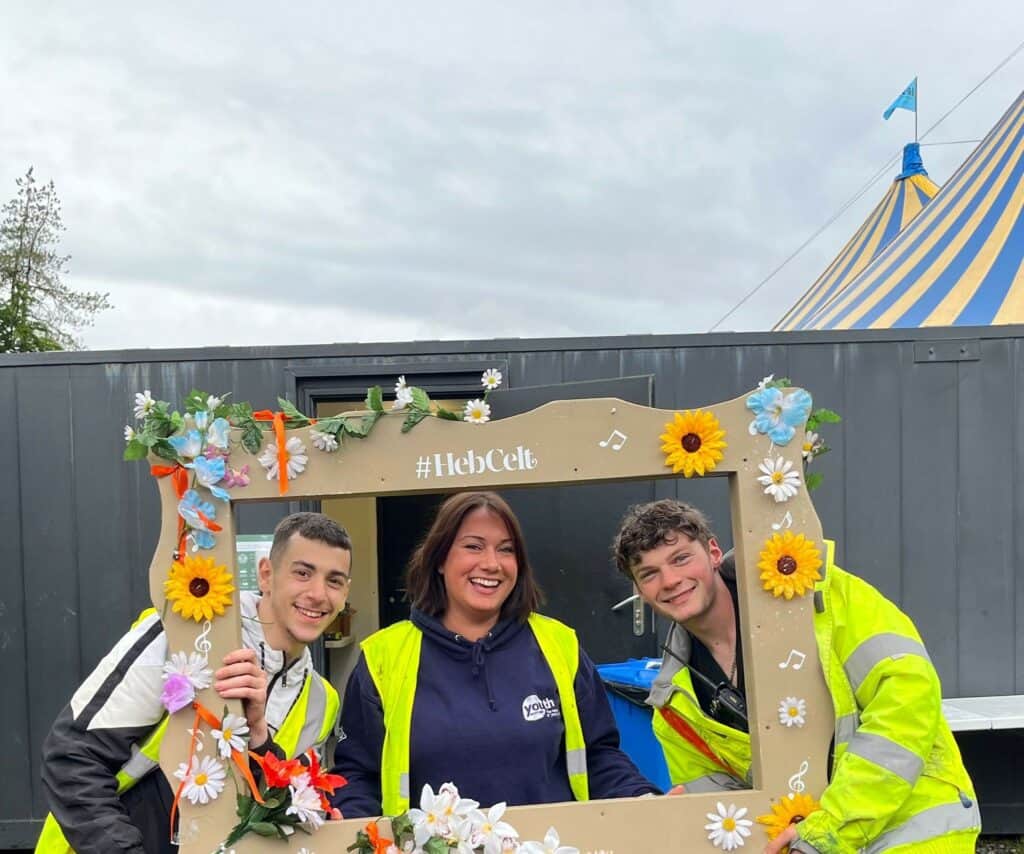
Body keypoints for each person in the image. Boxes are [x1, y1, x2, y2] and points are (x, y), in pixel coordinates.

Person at [612, 499, 980, 854]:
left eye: (680, 559)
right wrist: (691, 810)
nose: (671, 580)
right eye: (650, 574)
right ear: (639, 590)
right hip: (807, 841)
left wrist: (831, 830)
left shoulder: (828, 599)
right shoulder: (674, 703)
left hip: (911, 830)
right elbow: (723, 800)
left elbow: (906, 707)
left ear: (711, 552)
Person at [37, 512, 353, 854]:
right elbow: (71, 757)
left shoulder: (322, 701)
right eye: (303, 573)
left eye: (334, 580)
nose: (318, 594)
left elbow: (271, 808)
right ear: (266, 574)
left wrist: (261, 739)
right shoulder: (183, 633)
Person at [332, 490, 658, 817]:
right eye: (473, 546)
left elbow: (599, 756)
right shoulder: (383, 657)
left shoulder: (559, 644)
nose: (491, 564)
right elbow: (357, 778)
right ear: (440, 559)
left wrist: (643, 798)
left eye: (506, 550)